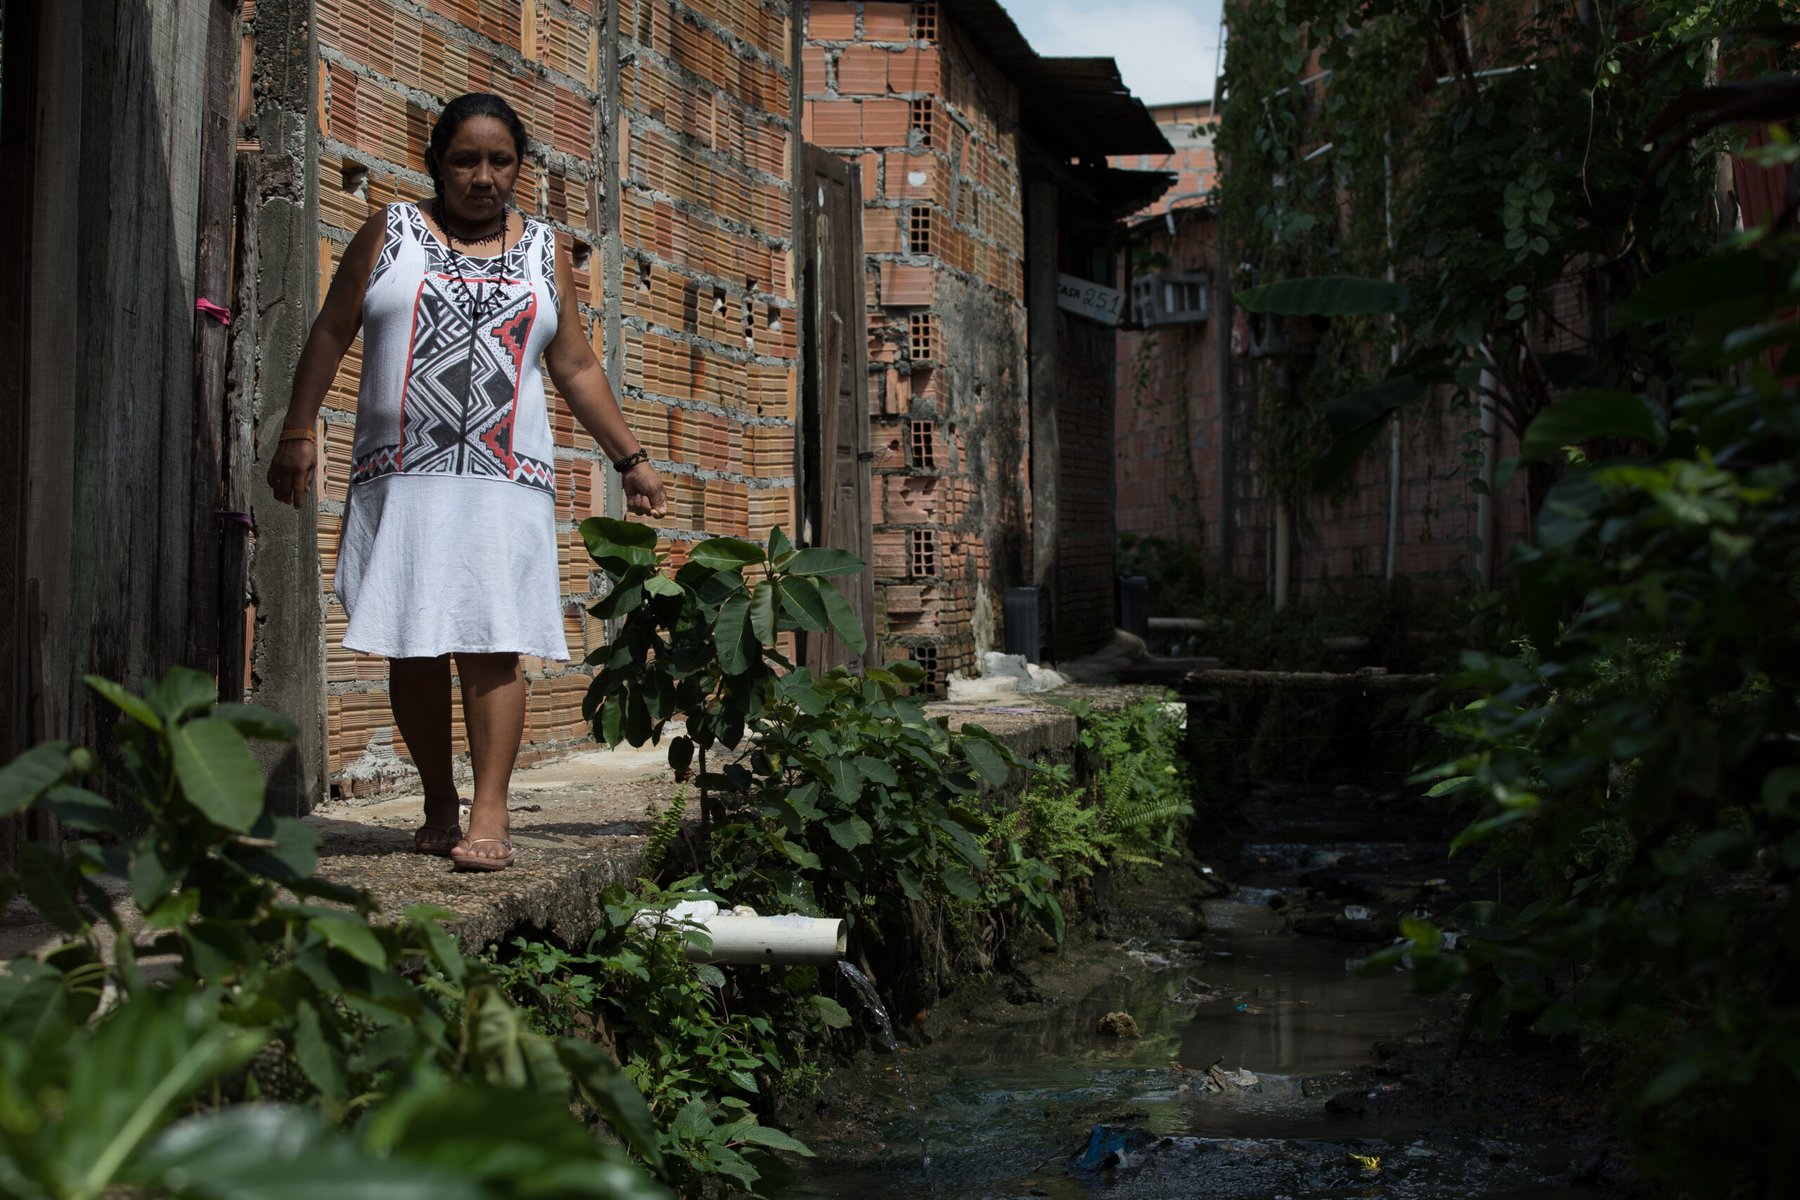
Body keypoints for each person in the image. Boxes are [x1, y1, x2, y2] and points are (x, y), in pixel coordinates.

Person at [267, 92, 666, 872]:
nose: (483, 177)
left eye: (500, 161)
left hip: (503, 481)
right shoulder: (390, 232)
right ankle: (438, 800)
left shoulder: (546, 249)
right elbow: (330, 330)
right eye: (465, 160)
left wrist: (631, 458)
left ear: (519, 167)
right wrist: (297, 428)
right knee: (414, 642)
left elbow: (576, 364)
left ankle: (490, 808)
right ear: (436, 164)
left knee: (492, 643)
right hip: (402, 476)